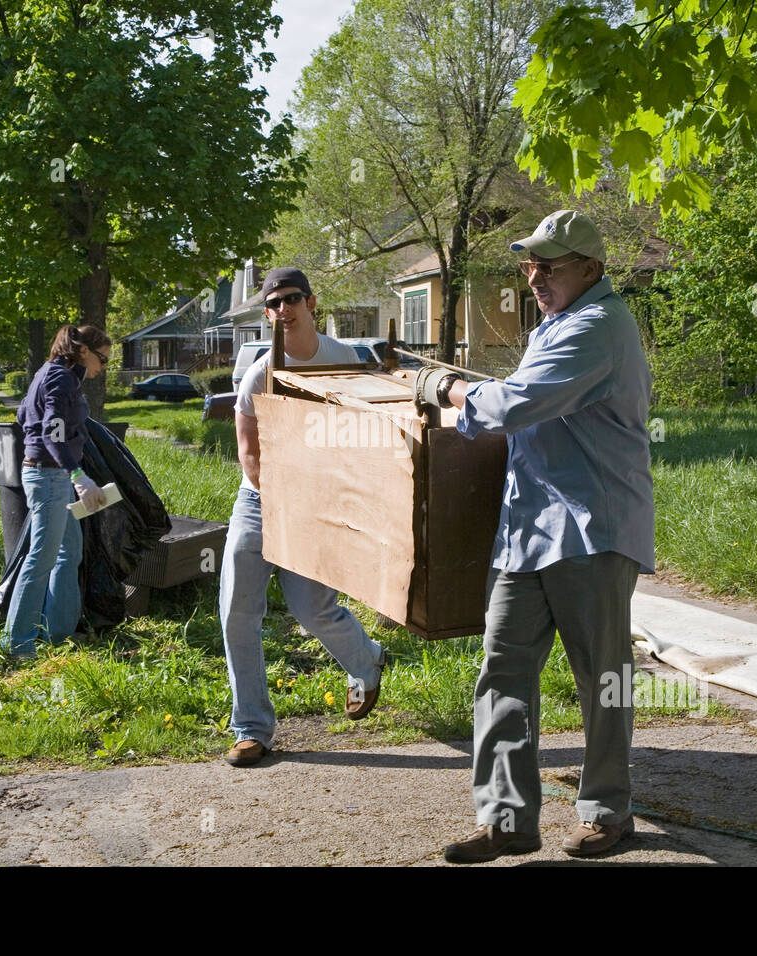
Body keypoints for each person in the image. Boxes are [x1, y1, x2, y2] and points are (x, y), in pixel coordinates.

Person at [415, 211, 655, 863]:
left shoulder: (599, 327)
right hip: (531, 529)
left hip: (591, 526)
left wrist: (451, 387)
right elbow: (522, 413)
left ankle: (608, 812)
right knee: (502, 668)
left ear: (591, 270)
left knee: (602, 677)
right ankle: (507, 820)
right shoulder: (557, 324)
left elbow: (517, 404)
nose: (534, 277)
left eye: (548, 265)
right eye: (529, 265)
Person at [220, 267, 388, 767]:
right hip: (260, 502)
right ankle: (252, 728)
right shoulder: (259, 373)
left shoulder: (347, 361)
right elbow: (248, 454)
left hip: (320, 503)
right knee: (237, 613)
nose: (282, 310)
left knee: (311, 609)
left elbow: (369, 435)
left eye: (291, 299)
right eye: (272, 304)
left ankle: (366, 660)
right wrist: (280, 497)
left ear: (311, 303)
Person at [3, 324, 112, 658]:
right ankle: (17, 645)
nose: (104, 367)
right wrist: (79, 476)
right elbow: (53, 433)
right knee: (42, 559)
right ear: (83, 351)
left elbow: (24, 417)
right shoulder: (61, 378)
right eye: (103, 359)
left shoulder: (48, 374)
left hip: (51, 476)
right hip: (48, 477)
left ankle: (57, 634)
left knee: (69, 553)